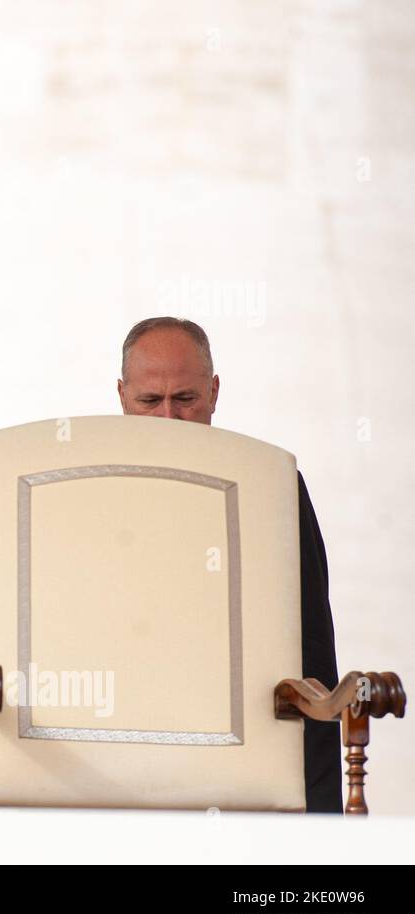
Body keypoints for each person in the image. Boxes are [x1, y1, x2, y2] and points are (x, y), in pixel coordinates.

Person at [117, 317, 342, 812]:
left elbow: (313, 647)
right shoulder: (86, 490)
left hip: (242, 746)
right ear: (121, 396)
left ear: (215, 391)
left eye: (186, 399)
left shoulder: (272, 482)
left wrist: (321, 808)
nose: (168, 419)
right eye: (149, 402)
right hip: (118, 746)